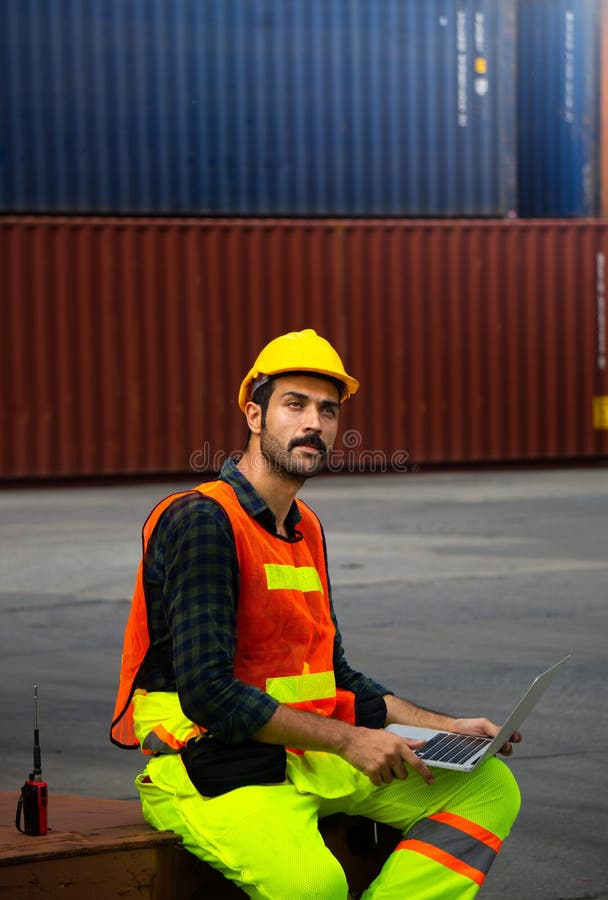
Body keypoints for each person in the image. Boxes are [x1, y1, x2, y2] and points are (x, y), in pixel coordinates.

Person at [111, 328, 521, 899]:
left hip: (304, 755)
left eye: (327, 410)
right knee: (315, 887)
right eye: (294, 405)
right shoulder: (204, 521)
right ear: (254, 415)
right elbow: (210, 695)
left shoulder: (305, 528)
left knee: (489, 787)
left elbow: (335, 675)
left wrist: (447, 728)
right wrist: (351, 741)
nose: (314, 423)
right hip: (212, 768)